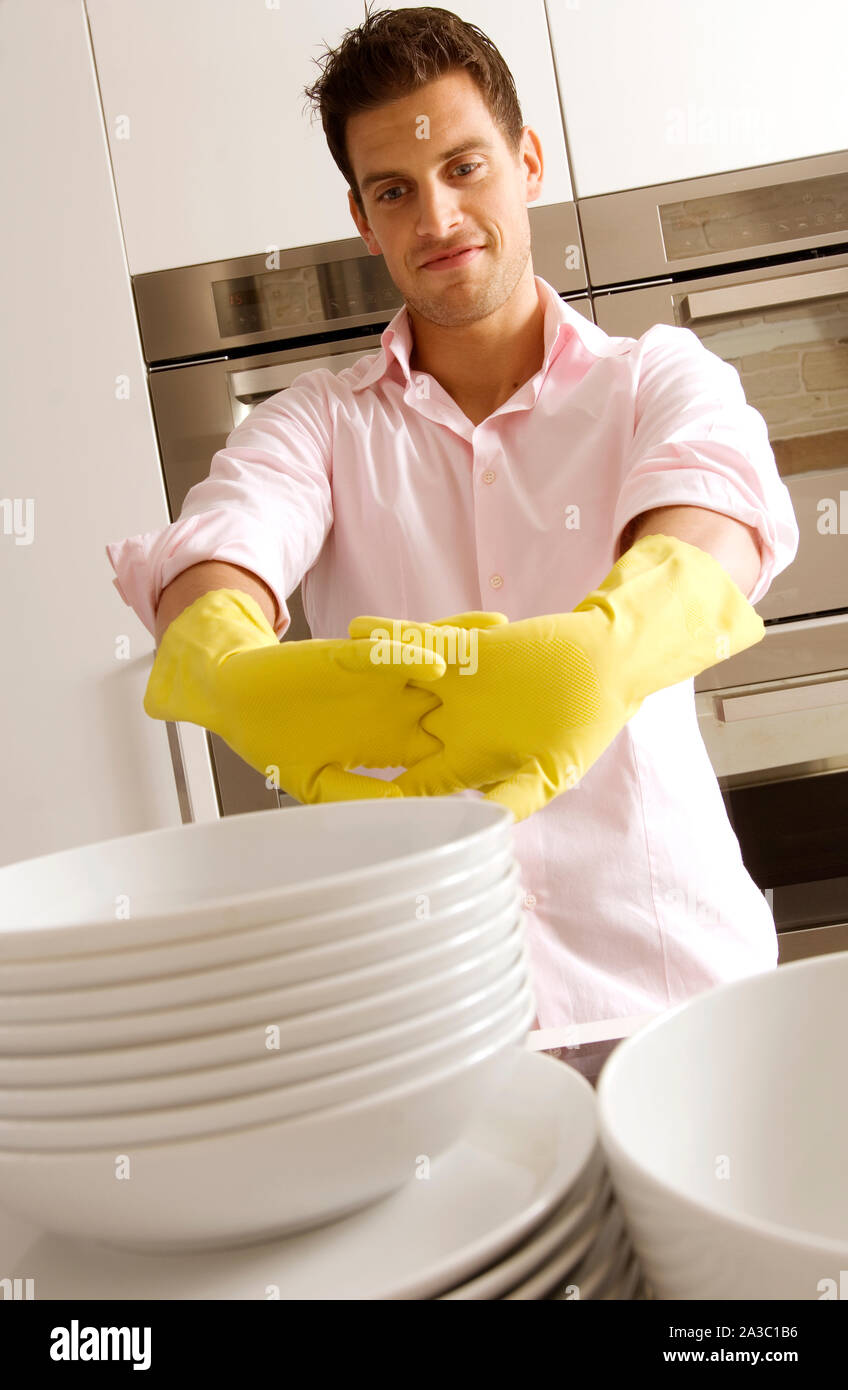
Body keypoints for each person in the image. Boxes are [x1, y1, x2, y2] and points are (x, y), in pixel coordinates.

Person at [106, 6, 799, 1032]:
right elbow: (230, 541)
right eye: (395, 190)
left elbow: (719, 512)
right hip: (427, 1012)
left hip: (676, 996)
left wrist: (605, 650)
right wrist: (219, 654)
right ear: (362, 218)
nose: (435, 218)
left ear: (525, 161)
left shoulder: (654, 376)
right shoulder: (315, 425)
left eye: (464, 167)